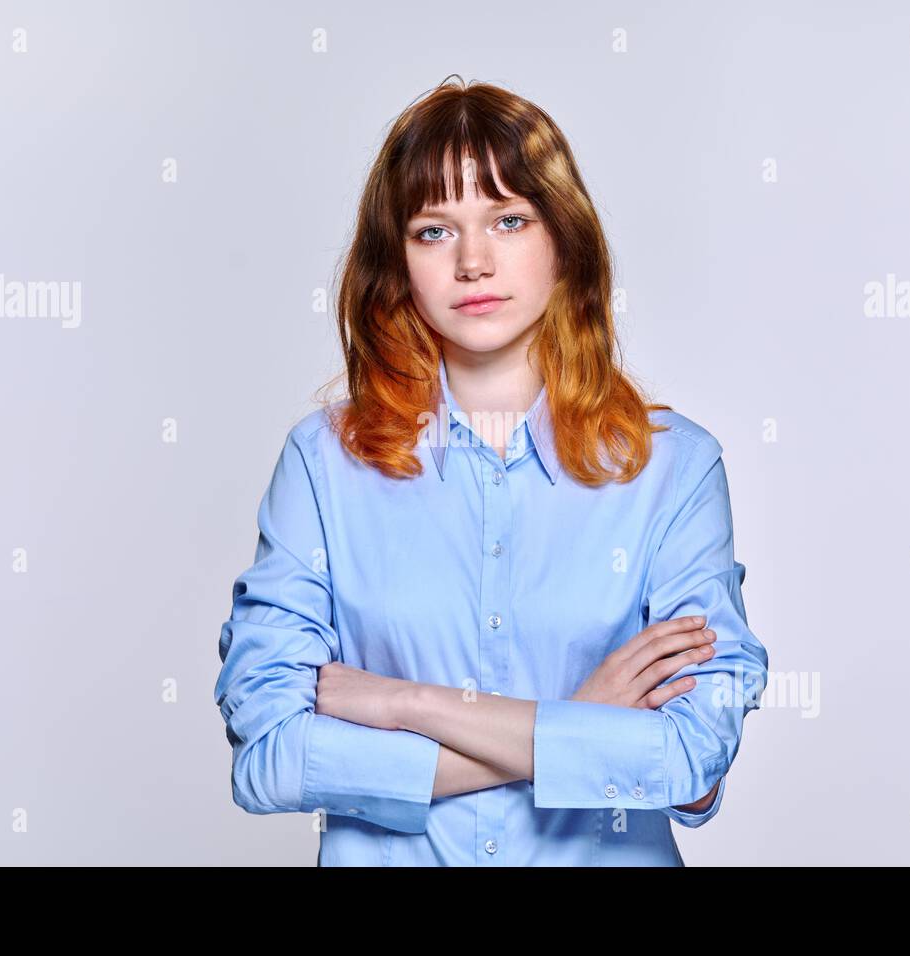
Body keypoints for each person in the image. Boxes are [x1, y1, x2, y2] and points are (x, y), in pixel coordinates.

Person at [214, 76, 769, 866]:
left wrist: (402, 703)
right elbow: (268, 759)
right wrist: (578, 722)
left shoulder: (673, 469)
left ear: (563, 241)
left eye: (509, 220)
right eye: (435, 231)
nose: (474, 261)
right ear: (396, 260)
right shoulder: (321, 464)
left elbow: (689, 763)